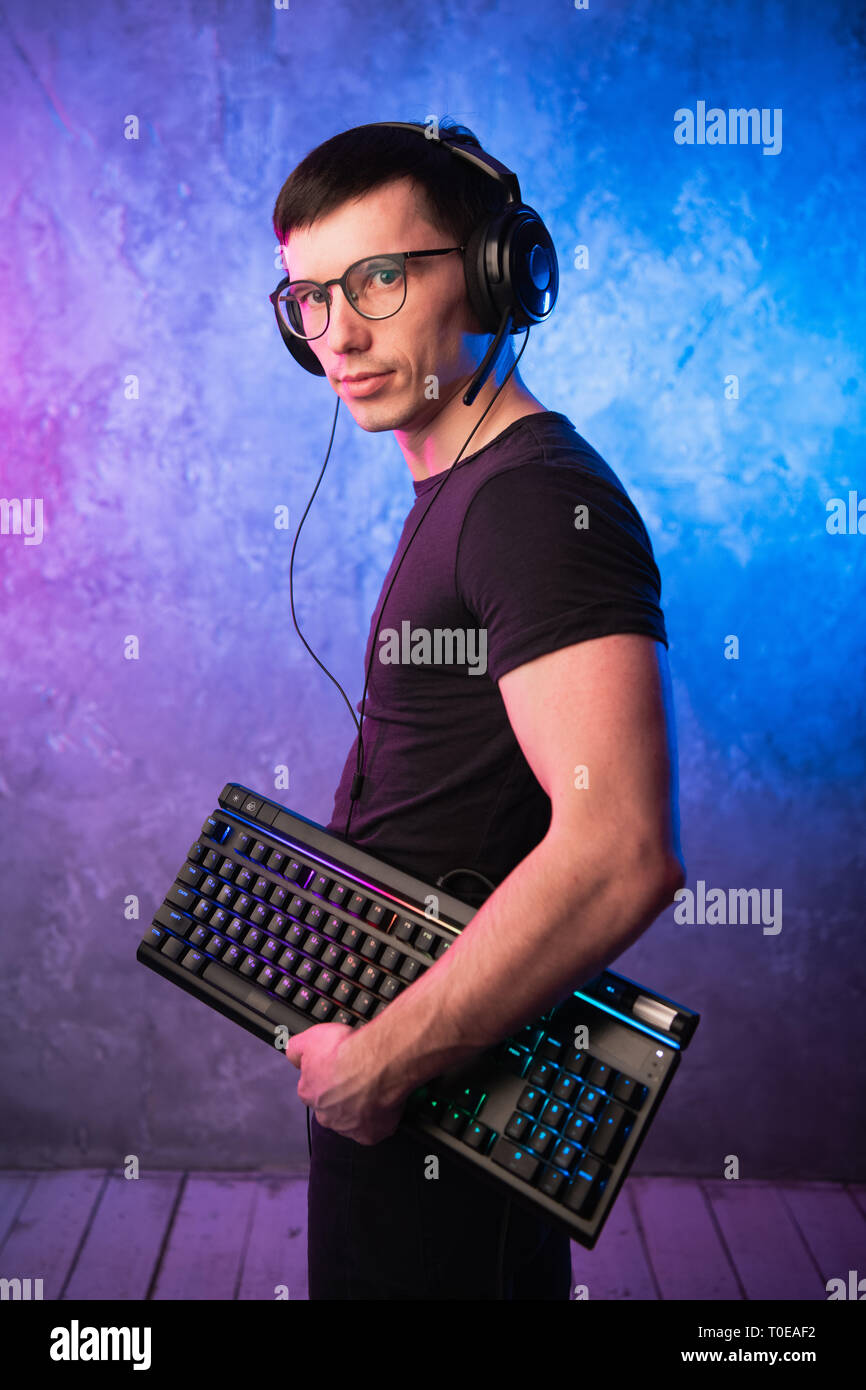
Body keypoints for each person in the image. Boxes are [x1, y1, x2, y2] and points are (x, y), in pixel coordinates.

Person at [271, 118, 686, 1299]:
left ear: (503, 273)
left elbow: (620, 851)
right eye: (308, 298)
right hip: (409, 1074)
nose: (337, 334)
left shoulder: (532, 508)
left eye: (380, 279)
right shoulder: (465, 487)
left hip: (447, 1089)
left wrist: (382, 1063)